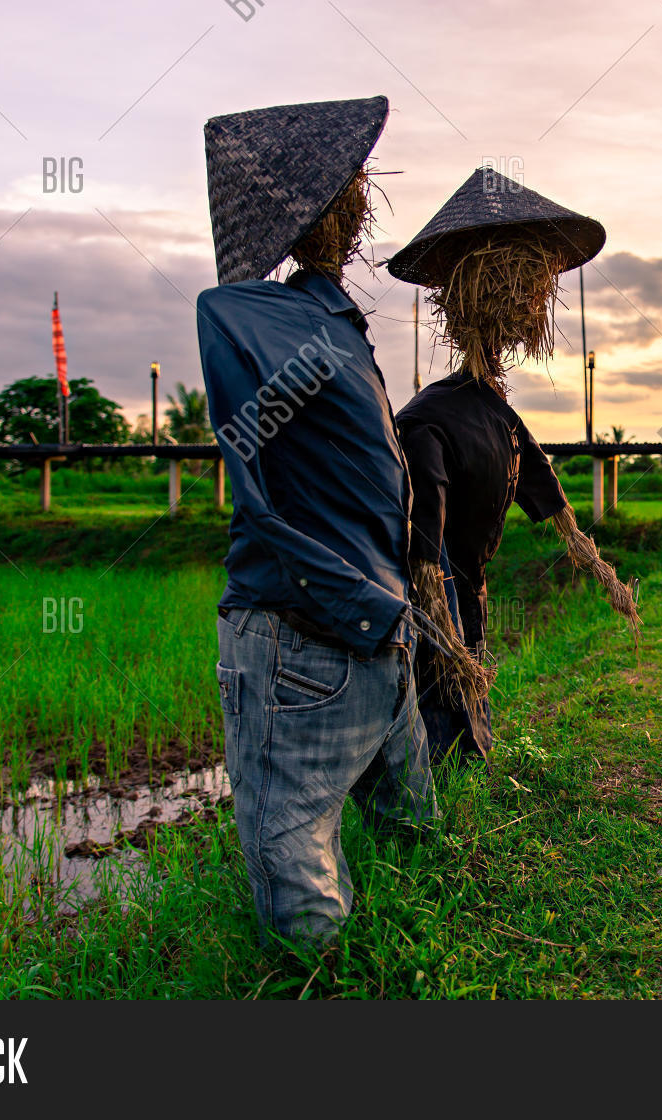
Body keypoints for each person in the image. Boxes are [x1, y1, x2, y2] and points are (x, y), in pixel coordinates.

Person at [197, 96, 481, 944]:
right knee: (301, 882)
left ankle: (406, 962)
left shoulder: (336, 326)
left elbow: (372, 488)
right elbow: (258, 489)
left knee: (408, 842)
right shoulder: (256, 316)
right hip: (317, 632)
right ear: (332, 206)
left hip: (369, 638)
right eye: (347, 181)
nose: (361, 191)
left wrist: (404, 608)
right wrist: (373, 607)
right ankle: (333, 985)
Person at [387, 168, 641, 764]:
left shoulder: (494, 409)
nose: (533, 298)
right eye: (521, 282)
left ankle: (464, 773)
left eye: (537, 284)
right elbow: (423, 547)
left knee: (468, 714)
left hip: (468, 591)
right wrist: (448, 638)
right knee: (441, 715)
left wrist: (599, 570)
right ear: (467, 294)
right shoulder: (427, 419)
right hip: (437, 600)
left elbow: (545, 489)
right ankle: (436, 811)